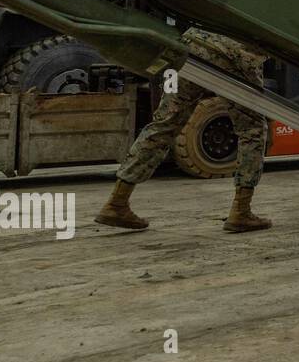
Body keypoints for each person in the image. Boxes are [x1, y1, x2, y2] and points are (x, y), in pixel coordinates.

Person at [95, 28, 272, 232]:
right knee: (252, 129)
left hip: (189, 48)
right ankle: (241, 211)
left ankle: (117, 202)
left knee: (164, 124)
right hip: (234, 54)